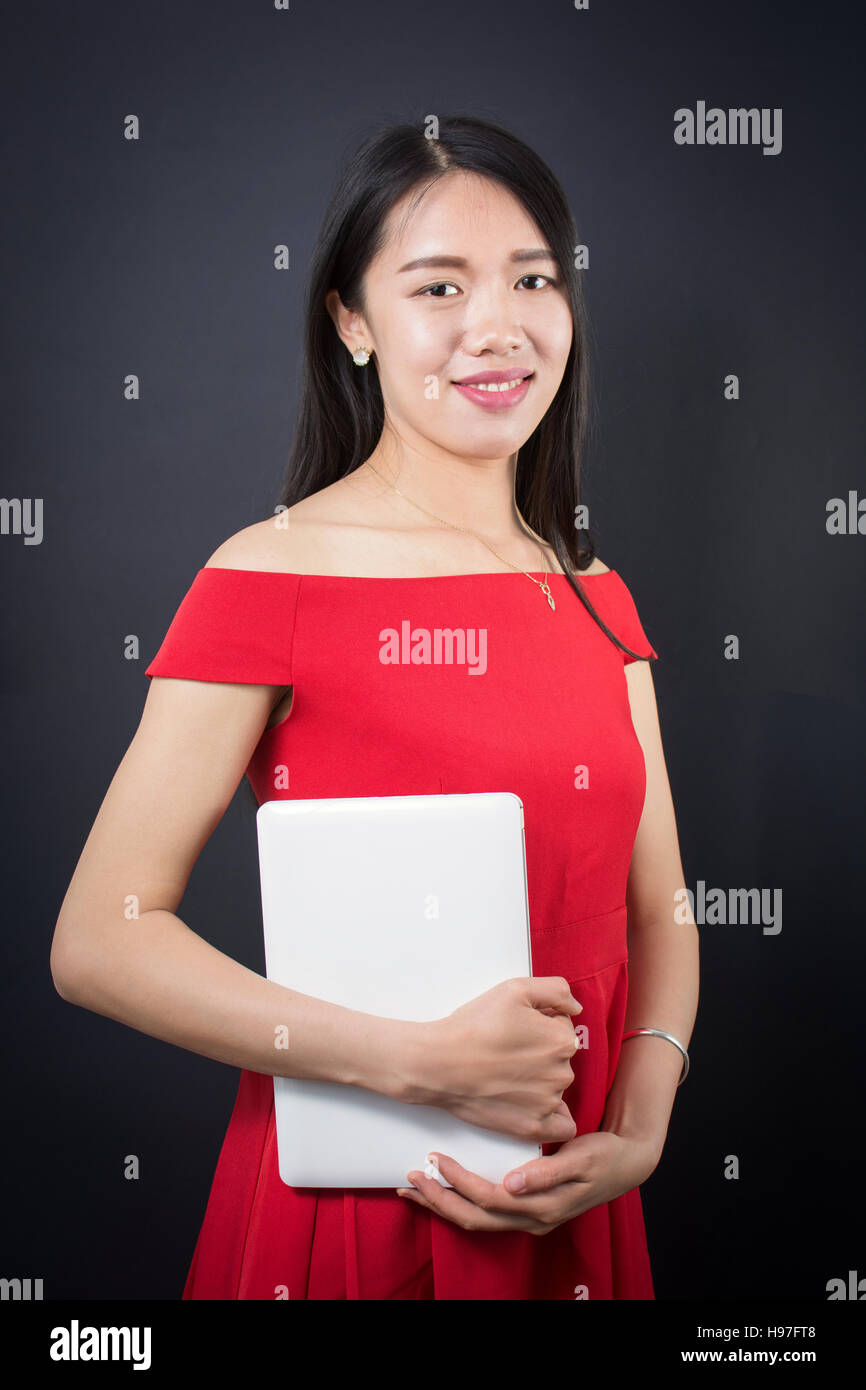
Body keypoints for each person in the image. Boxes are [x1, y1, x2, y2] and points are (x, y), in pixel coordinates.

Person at [50, 114, 699, 1300]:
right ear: (351, 320)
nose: (495, 327)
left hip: (577, 1206)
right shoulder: (266, 574)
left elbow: (658, 908)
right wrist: (418, 1063)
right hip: (354, 1218)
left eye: (532, 278)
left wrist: (640, 1128)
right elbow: (100, 937)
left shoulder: (595, 589)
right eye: (437, 286)